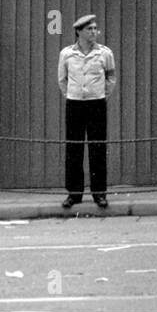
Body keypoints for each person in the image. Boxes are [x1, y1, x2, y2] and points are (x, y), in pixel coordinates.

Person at [57, 14, 115, 210]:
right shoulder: (67, 54)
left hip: (96, 104)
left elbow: (111, 77)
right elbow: (62, 79)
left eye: (95, 28)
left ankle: (99, 193)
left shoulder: (105, 53)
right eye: (89, 29)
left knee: (97, 148)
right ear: (79, 32)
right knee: (74, 149)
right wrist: (71, 95)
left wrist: (101, 94)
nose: (94, 32)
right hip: (74, 104)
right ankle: (74, 194)